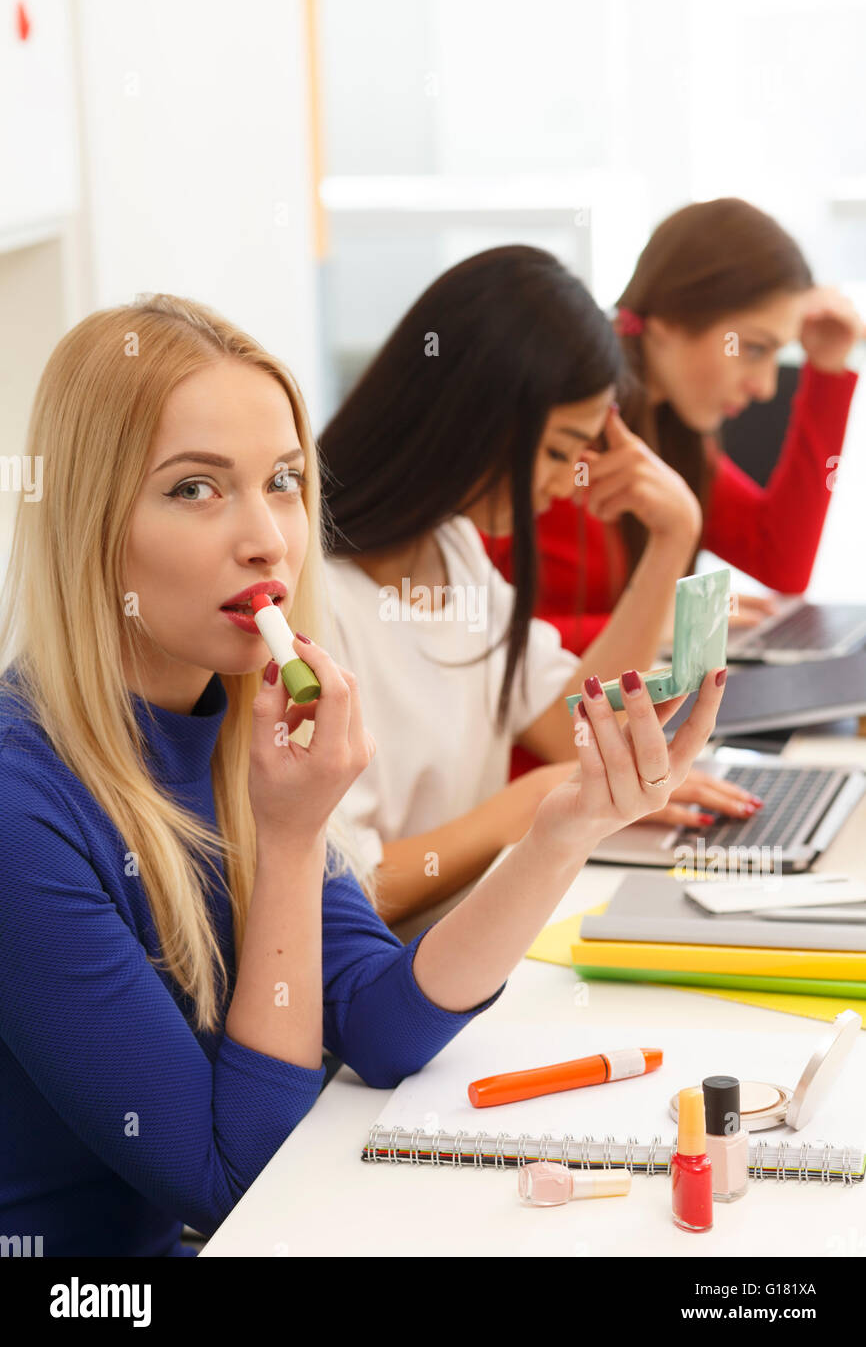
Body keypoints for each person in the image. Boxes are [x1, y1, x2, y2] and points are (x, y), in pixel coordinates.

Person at [0, 292, 725, 1256]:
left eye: (284, 481)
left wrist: (564, 828)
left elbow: (382, 1023)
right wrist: (295, 840)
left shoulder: (230, 730)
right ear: (92, 525)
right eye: (194, 488)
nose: (267, 537)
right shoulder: (23, 807)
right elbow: (243, 1182)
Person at [318, 247, 743, 935]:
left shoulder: (449, 547)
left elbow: (572, 726)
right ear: (470, 416)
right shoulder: (321, 603)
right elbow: (348, 894)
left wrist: (672, 538)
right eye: (555, 452)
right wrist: (527, 809)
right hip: (386, 988)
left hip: (473, 948)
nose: (563, 482)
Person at [481, 199, 863, 778]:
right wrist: (660, 624)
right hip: (529, 773)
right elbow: (465, 630)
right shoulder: (562, 446)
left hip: (603, 749)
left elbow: (779, 560)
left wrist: (829, 370)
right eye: (753, 348)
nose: (763, 386)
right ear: (667, 322)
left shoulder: (670, 437)